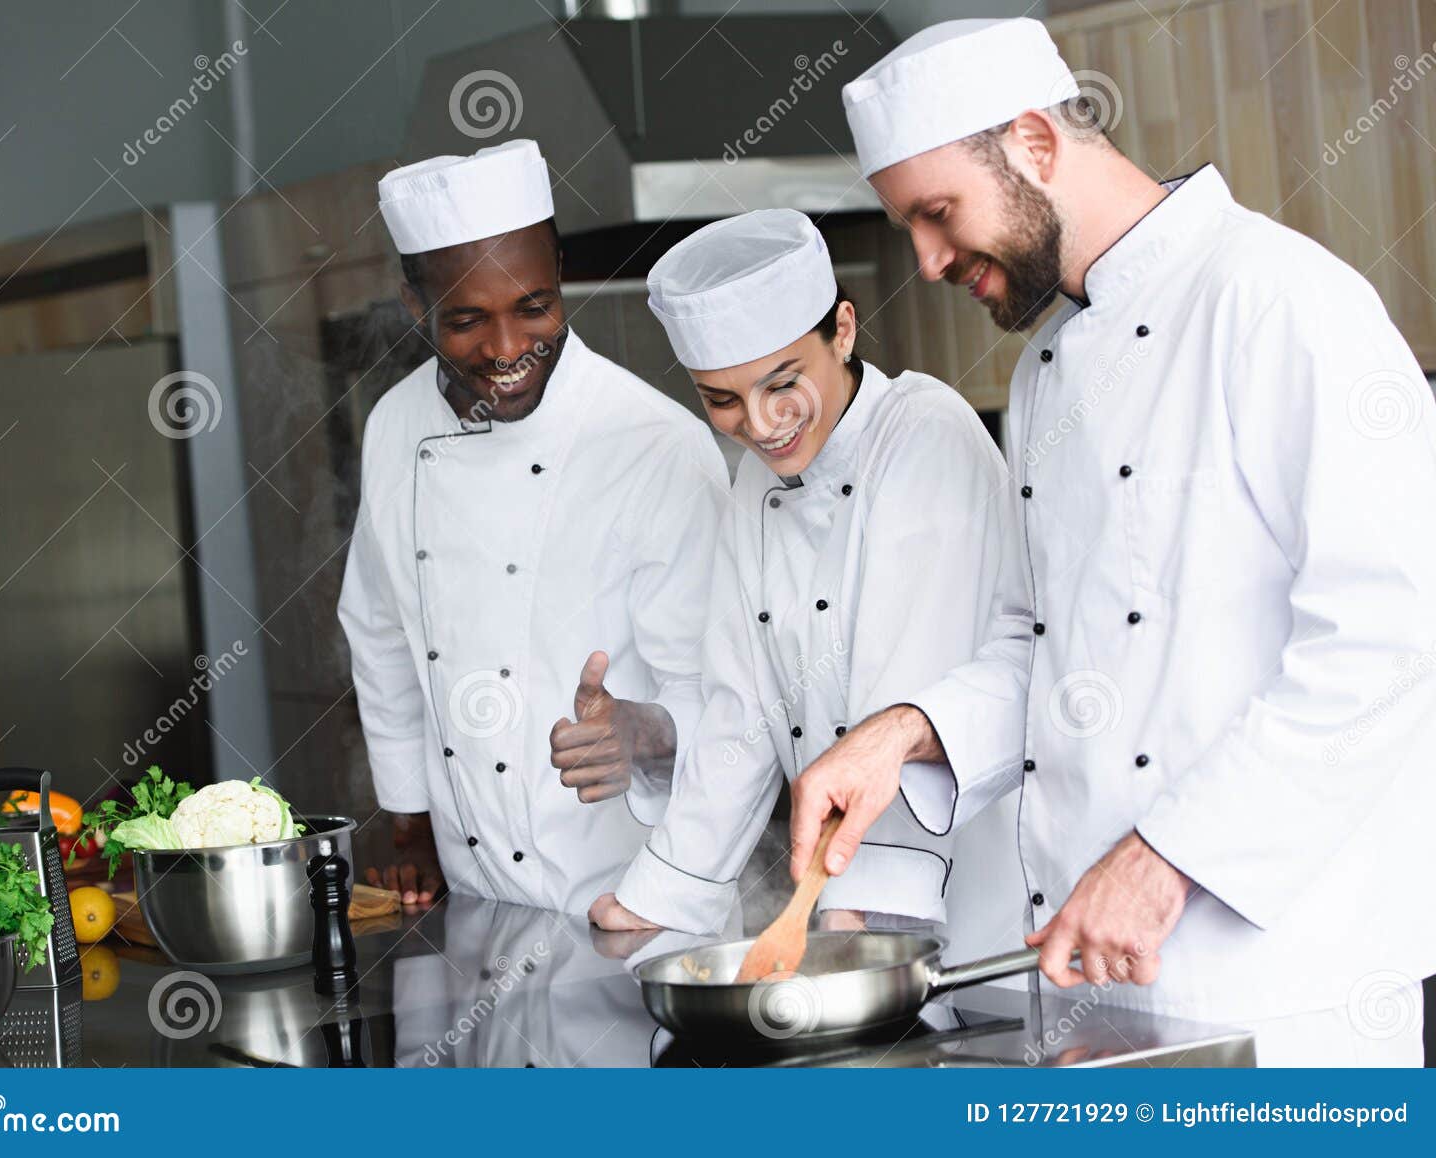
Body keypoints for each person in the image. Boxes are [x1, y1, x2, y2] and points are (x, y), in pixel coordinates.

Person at [789, 16, 1436, 1064]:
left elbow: (1390, 641)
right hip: (1093, 982)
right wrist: (901, 733)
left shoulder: (1282, 304)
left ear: (1036, 145)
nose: (927, 258)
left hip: (1283, 990)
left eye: (937, 213)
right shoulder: (1044, 372)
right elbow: (1053, 639)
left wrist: (1166, 857)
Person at [589, 209, 1025, 950]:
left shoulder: (923, 433)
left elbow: (902, 700)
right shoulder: (756, 486)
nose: (760, 425)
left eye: (782, 383)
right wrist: (666, 890)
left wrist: (855, 907)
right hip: (839, 899)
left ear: (844, 330)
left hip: (960, 906)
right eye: (721, 399)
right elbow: (741, 707)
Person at [337, 139, 727, 916]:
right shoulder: (394, 427)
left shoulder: (655, 444)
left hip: (639, 902)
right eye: (467, 320)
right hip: (477, 901)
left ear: (560, 281)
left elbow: (729, 695)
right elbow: (380, 636)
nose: (508, 349)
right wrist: (411, 826)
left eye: (535, 308)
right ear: (417, 308)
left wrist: (641, 730)